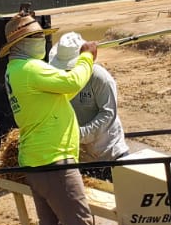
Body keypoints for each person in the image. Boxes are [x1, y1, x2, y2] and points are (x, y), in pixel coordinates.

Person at [0, 11, 142, 225]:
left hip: (36, 160)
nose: (42, 42)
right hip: (55, 161)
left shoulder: (16, 70)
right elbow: (71, 81)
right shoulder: (30, 69)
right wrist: (87, 57)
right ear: (24, 43)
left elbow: (65, 89)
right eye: (38, 38)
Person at [46, 32, 129, 168]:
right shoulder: (59, 80)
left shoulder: (100, 78)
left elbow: (108, 114)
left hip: (109, 153)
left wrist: (80, 134)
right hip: (82, 157)